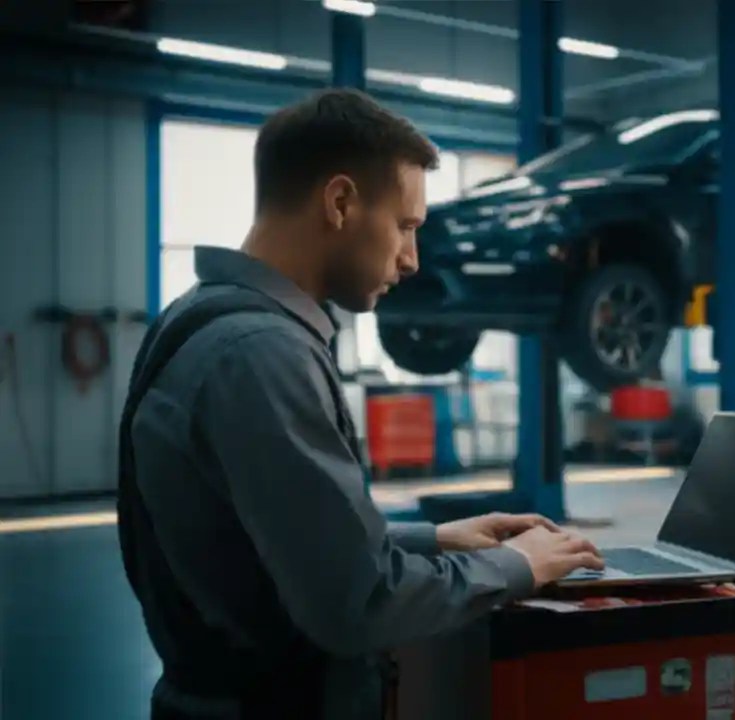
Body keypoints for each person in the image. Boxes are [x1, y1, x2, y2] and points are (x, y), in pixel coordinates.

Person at [118, 89, 604, 720]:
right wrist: (515, 566)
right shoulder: (261, 353)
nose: (411, 259)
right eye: (405, 226)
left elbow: (268, 535)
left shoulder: (199, 318)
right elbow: (356, 604)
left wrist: (434, 541)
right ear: (341, 202)